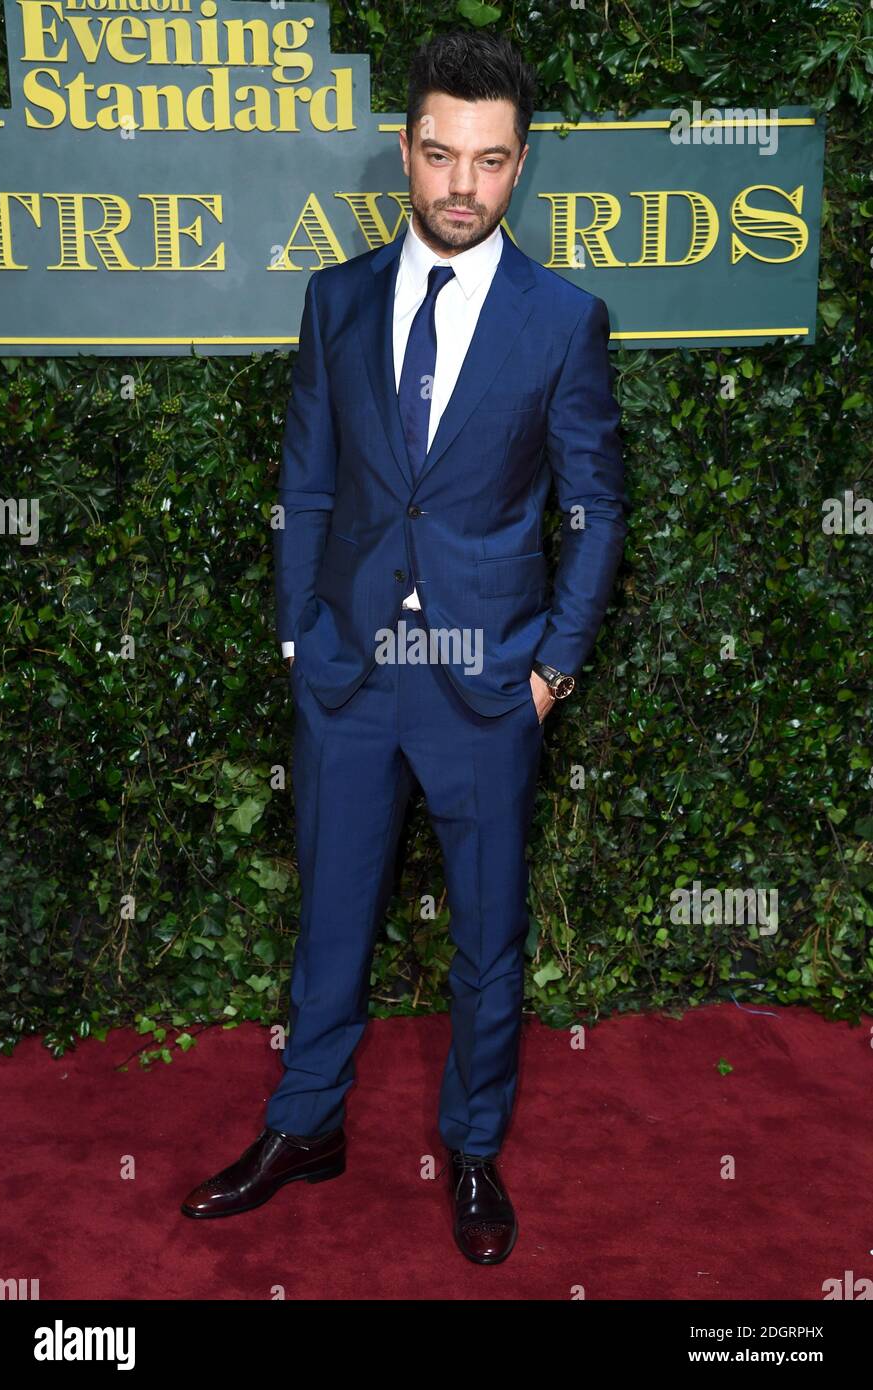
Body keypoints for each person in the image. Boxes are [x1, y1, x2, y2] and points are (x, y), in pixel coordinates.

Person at [181, 29, 628, 1265]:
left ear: (520, 164)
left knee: (487, 938)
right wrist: (298, 641)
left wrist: (553, 667)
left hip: (487, 682)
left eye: (488, 163)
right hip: (349, 672)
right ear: (406, 150)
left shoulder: (564, 320)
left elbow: (594, 507)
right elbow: (309, 480)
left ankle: (473, 1149)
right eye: (439, 155)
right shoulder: (336, 298)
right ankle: (305, 1124)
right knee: (331, 916)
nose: (460, 187)